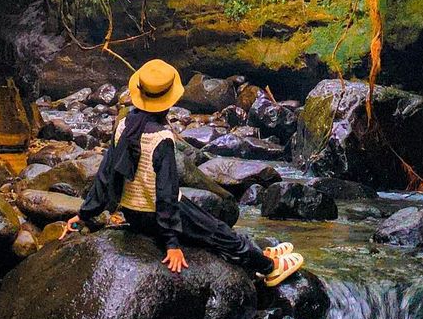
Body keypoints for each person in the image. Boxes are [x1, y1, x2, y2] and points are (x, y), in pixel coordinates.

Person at [60, 58, 304, 285]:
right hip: (156, 217)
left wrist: (84, 213)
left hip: (134, 214)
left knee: (207, 224)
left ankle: (256, 251)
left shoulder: (124, 124)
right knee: (216, 231)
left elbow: (105, 175)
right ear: (168, 100)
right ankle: (269, 267)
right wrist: (171, 243)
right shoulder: (161, 138)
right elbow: (166, 193)